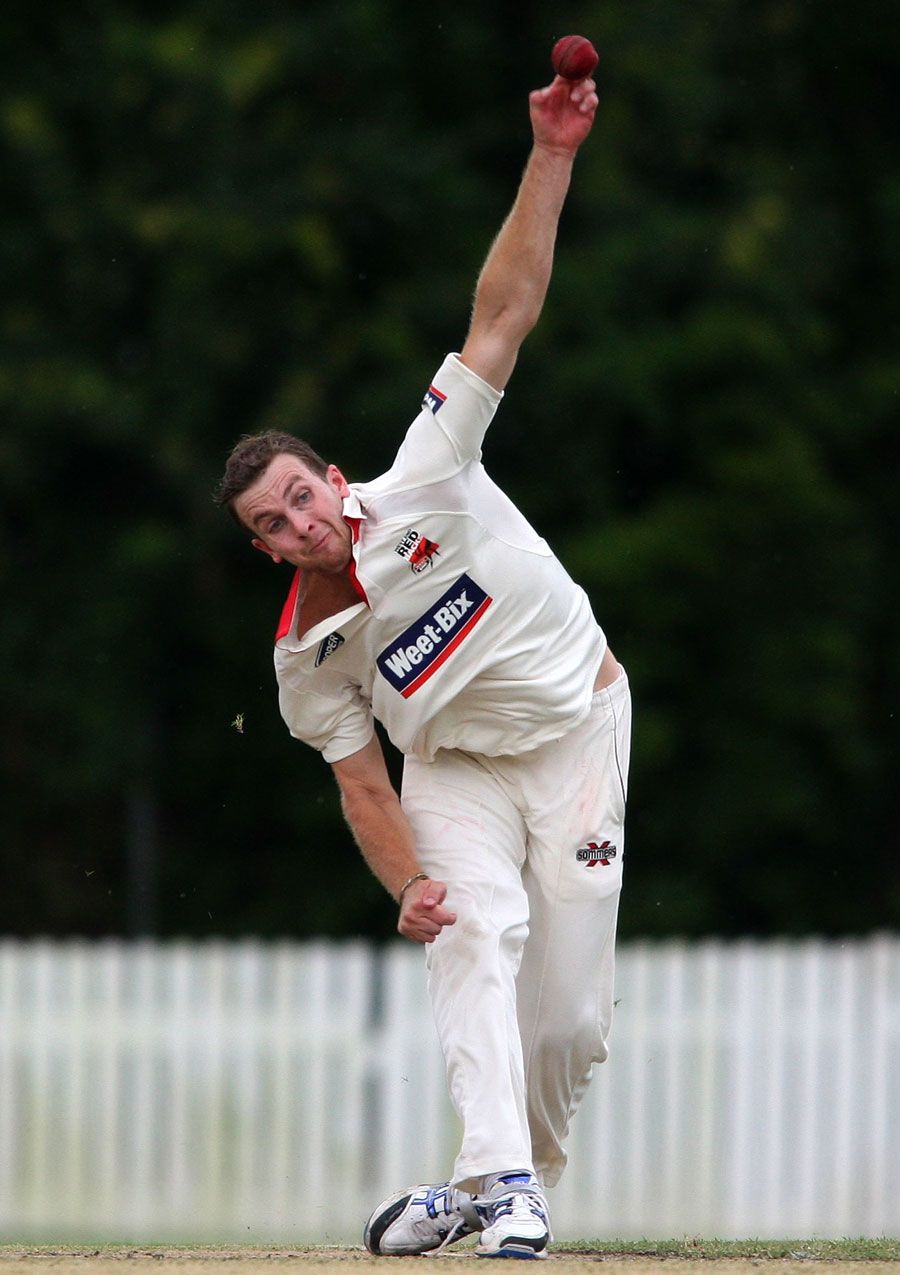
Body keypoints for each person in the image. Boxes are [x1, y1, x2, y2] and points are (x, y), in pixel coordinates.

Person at [216, 68, 630, 1260]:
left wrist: (551, 156)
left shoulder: (432, 467)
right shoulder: (307, 653)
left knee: (573, 1024)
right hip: (450, 770)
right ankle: (507, 1180)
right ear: (265, 552)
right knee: (466, 939)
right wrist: (409, 884)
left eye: (302, 497)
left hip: (580, 732)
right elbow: (360, 784)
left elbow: (502, 314)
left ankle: (496, 1182)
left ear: (336, 479)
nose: (301, 524)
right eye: (274, 527)